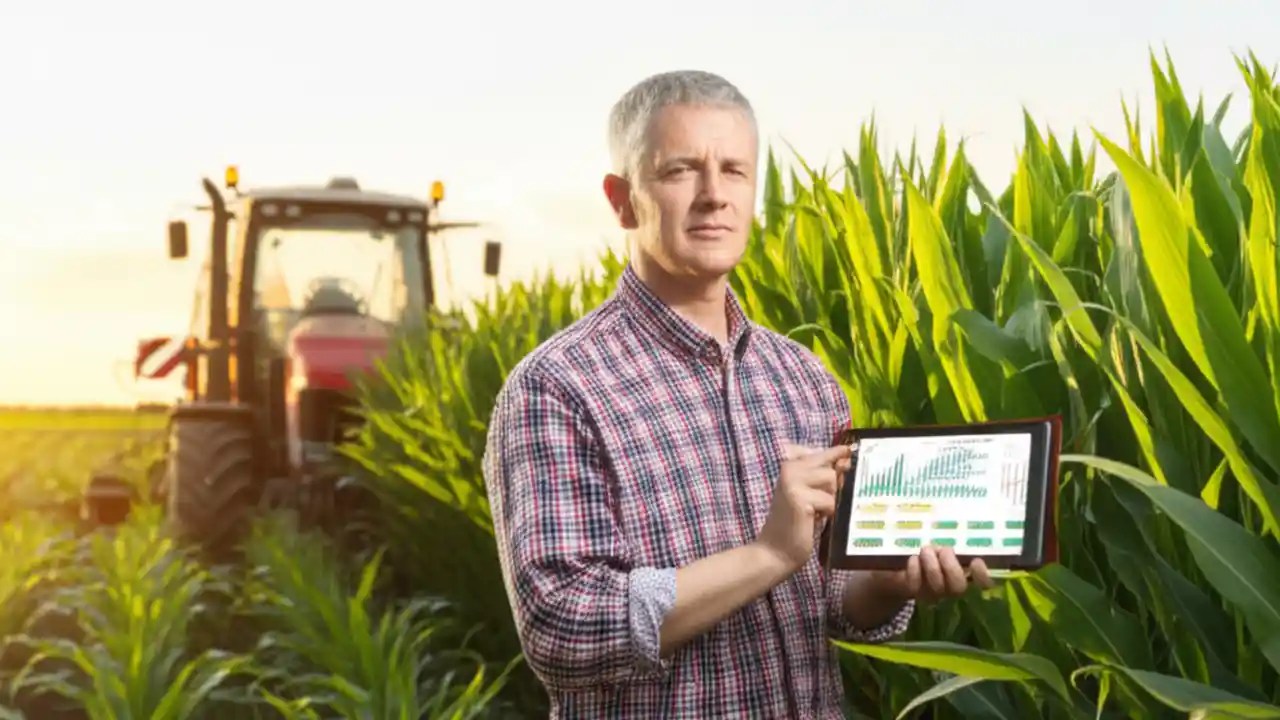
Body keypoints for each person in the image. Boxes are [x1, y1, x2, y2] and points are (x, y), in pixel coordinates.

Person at [482, 69, 993, 718]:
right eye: (680, 171)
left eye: (734, 171)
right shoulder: (556, 388)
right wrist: (767, 554)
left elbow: (832, 599)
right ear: (621, 199)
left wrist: (888, 583)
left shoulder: (804, 380)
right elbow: (562, 627)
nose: (713, 196)